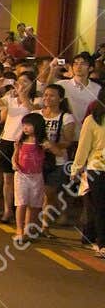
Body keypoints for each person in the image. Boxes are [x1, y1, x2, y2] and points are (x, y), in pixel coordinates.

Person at [0, 72, 35, 224]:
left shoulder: (35, 98)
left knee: (23, 180)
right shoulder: (10, 98)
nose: (21, 84)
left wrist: (21, 94)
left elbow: (32, 110)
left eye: (25, 81)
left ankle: (21, 211)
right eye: (19, 81)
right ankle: (7, 210)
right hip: (7, 140)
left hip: (25, 144)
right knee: (7, 178)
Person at [36, 83, 76, 223]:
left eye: (52, 95)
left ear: (60, 99)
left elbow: (68, 141)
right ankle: (42, 222)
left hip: (57, 160)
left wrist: (51, 145)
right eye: (45, 95)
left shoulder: (66, 118)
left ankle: (45, 222)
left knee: (51, 192)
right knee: (42, 192)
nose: (47, 98)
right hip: (36, 158)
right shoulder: (36, 115)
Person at [70, 101, 105, 257]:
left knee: (99, 207)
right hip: (97, 167)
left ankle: (102, 244)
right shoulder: (92, 119)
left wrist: (76, 169)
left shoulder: (93, 119)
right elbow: (83, 146)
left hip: (96, 167)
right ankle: (101, 242)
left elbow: (84, 146)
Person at [16, 112, 49, 243]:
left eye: (29, 125)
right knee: (21, 202)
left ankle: (28, 229)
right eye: (24, 125)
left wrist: (50, 146)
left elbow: (57, 152)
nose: (25, 128)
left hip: (36, 176)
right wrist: (14, 164)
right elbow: (15, 155)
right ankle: (19, 230)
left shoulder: (42, 143)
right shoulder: (21, 141)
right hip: (21, 175)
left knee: (34, 204)